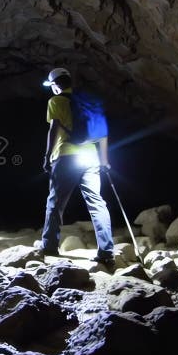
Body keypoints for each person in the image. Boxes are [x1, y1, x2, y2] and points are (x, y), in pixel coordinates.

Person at [40, 68, 115, 265]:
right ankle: (107, 251)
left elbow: (54, 128)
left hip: (66, 157)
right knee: (97, 203)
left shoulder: (56, 101)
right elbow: (103, 133)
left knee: (55, 202)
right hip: (91, 157)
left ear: (55, 85)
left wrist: (47, 155)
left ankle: (49, 247)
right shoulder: (88, 103)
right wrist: (105, 160)